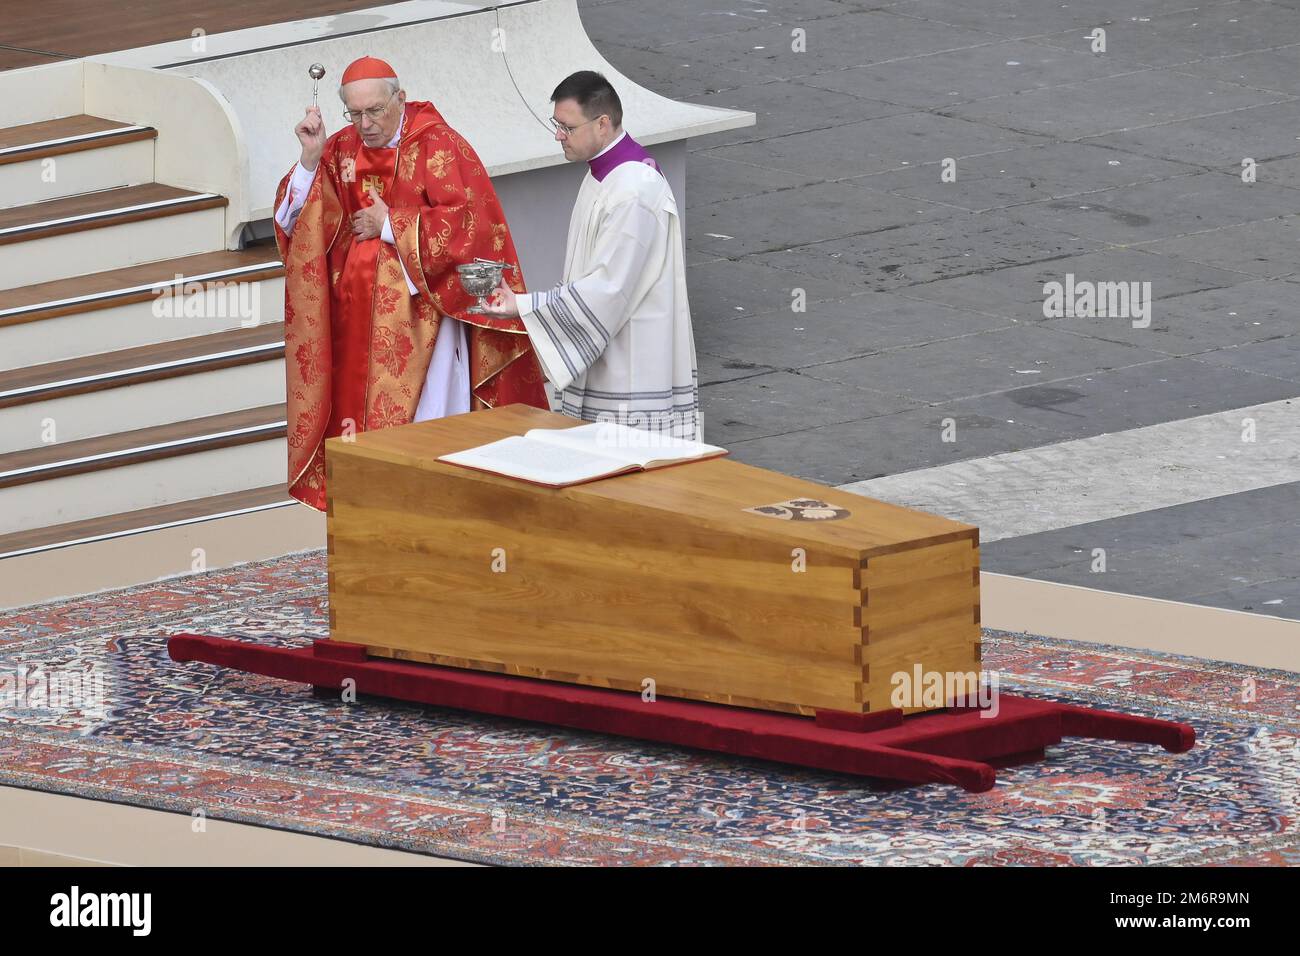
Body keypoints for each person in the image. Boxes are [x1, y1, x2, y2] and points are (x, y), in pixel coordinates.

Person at [273, 55, 548, 510]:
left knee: (427, 441)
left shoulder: (440, 145)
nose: (366, 125)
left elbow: (473, 228)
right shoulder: (339, 149)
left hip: (425, 328)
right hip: (355, 326)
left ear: (400, 98)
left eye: (376, 111)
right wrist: (308, 158)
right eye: (355, 113)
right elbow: (299, 227)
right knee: (362, 442)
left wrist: (391, 224)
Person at [481, 71, 700, 441]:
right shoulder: (604, 174)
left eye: (566, 126)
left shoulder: (633, 189)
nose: (557, 135)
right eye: (556, 124)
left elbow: (607, 290)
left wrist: (522, 305)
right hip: (608, 347)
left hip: (630, 367)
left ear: (602, 124)